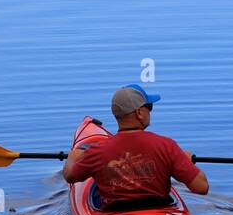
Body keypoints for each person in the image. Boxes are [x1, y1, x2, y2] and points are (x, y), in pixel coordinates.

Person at [62, 85, 209, 208]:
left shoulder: (97, 151)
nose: (150, 112)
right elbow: (202, 187)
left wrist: (72, 157)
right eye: (149, 107)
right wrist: (185, 162)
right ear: (139, 112)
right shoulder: (166, 146)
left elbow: (70, 176)